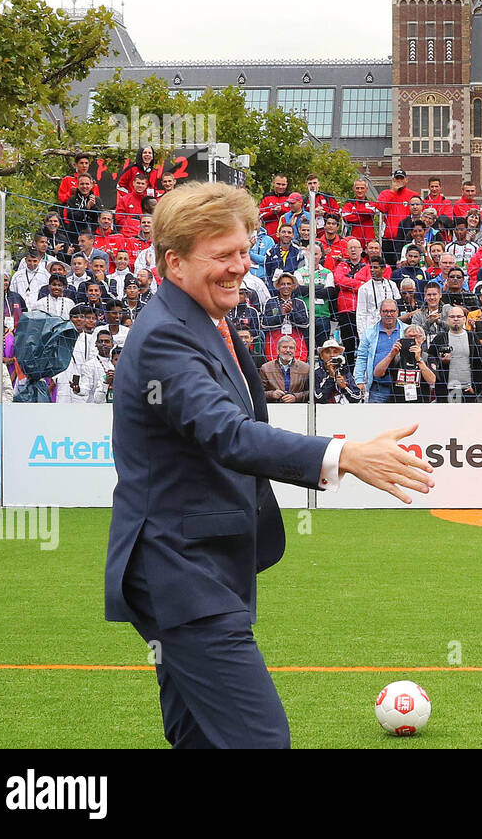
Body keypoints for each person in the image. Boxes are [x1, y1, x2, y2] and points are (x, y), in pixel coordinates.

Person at [104, 182, 435, 749]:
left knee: (201, 739)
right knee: (261, 740)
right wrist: (344, 455)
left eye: (244, 250)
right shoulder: (165, 336)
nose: (240, 266)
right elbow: (227, 434)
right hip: (180, 573)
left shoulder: (205, 320)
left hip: (201, 567)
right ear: (174, 262)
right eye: (223, 255)